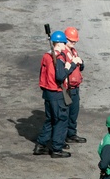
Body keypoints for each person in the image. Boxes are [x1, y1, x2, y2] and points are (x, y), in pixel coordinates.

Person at [32, 30, 80, 159]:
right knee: (61, 120)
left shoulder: (47, 56)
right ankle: (57, 148)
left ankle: (41, 145)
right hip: (57, 93)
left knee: (50, 120)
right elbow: (60, 76)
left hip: (47, 93)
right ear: (60, 43)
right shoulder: (58, 57)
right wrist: (71, 65)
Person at [63, 26, 87, 144]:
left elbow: (80, 66)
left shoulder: (73, 51)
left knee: (74, 112)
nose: (73, 43)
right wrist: (73, 63)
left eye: (74, 41)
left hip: (75, 87)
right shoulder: (63, 53)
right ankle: (63, 136)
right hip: (68, 88)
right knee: (65, 114)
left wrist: (81, 63)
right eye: (71, 41)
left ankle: (71, 134)